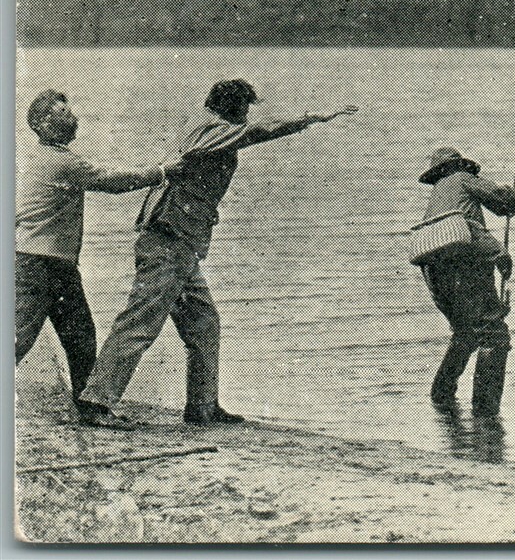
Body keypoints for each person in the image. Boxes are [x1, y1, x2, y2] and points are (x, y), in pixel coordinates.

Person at [77, 80, 357, 427]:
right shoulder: (210, 131)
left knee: (204, 324)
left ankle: (203, 407)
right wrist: (309, 118)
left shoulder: (202, 127)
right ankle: (96, 402)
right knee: (141, 322)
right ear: (236, 108)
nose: (245, 119)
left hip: (181, 242)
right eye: (245, 110)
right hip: (169, 241)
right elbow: (256, 133)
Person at [16, 90, 187, 420]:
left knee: (76, 334)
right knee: (24, 337)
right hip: (43, 264)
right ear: (40, 124)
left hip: (40, 261)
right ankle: (90, 409)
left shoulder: (34, 159)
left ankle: (90, 408)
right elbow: (111, 180)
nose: (73, 119)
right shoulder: (63, 162)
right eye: (63, 114)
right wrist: (163, 172)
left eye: (71, 113)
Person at [415, 146, 515, 417]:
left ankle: (441, 400)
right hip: (464, 264)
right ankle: (486, 415)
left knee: (465, 333)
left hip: (433, 271)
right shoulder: (463, 178)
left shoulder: (438, 196)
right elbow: (500, 202)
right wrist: (510, 195)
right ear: (459, 165)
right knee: (494, 335)